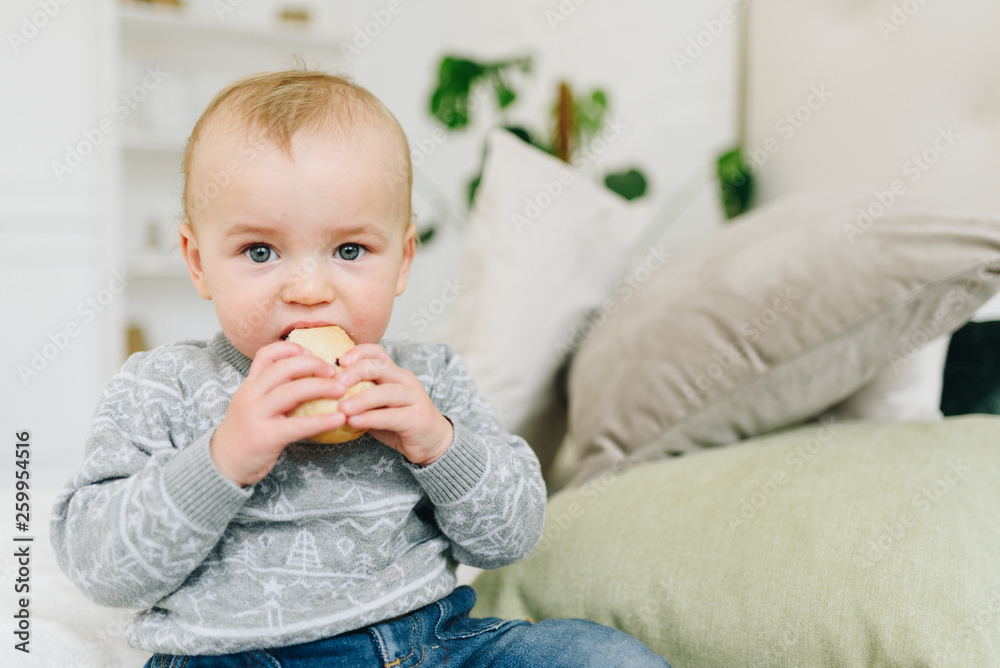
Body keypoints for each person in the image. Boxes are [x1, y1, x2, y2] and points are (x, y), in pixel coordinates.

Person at [50, 67, 670, 667]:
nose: (309, 287)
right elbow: (99, 568)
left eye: (350, 250)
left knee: (598, 656)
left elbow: (511, 535)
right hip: (234, 660)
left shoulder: (427, 379)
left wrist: (438, 444)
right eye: (259, 251)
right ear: (198, 261)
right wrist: (220, 460)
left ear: (401, 261)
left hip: (430, 647)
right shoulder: (164, 385)